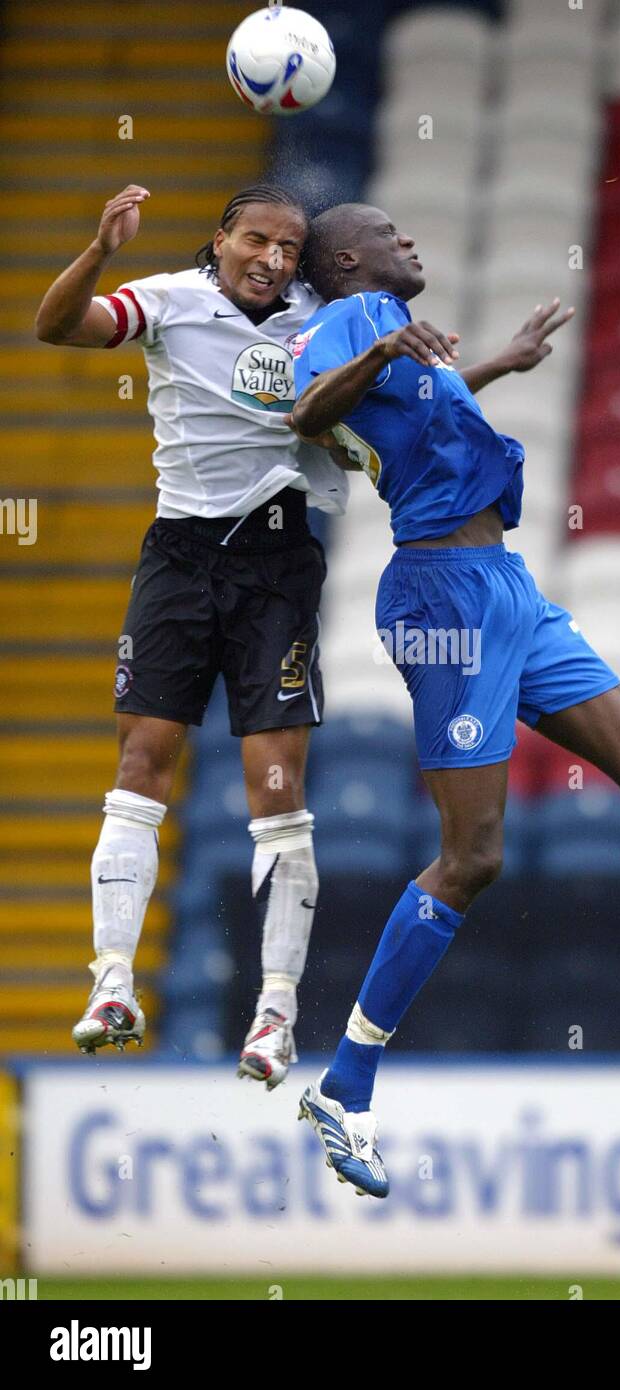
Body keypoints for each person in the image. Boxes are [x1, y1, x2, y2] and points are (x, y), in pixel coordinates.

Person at [288, 203, 620, 1198]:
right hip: (443, 598)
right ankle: (345, 1086)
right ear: (347, 258)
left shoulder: (392, 333)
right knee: (473, 857)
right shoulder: (349, 321)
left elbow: (416, 417)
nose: (411, 241)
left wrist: (498, 363)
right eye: (390, 233)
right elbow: (308, 413)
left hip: (508, 589)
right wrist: (380, 351)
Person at [35, 182, 346, 1085]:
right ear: (222, 238)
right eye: (257, 240)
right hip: (180, 556)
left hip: (278, 564)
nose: (273, 261)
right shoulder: (169, 299)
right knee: (141, 762)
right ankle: (112, 984)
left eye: (289, 249)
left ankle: (275, 1013)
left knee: (277, 786)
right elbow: (58, 326)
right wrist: (101, 250)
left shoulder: (321, 321)